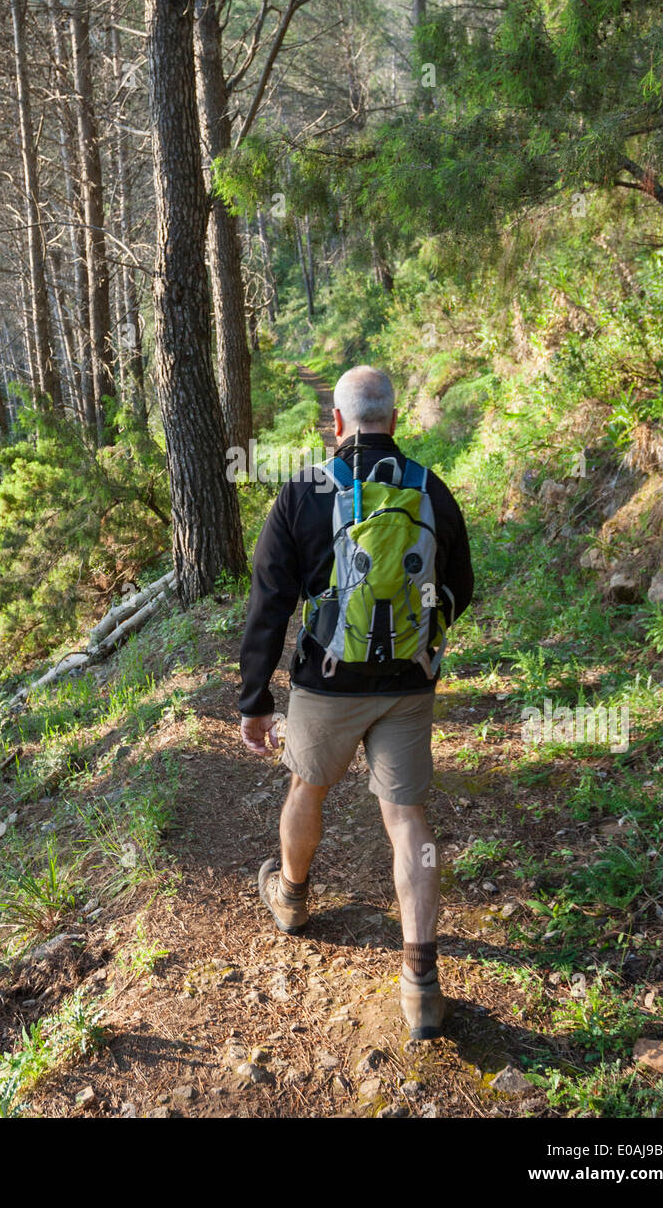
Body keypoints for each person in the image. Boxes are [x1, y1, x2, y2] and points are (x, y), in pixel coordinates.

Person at [238, 365, 474, 1039]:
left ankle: (291, 898)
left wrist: (255, 699)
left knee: (308, 789)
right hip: (407, 684)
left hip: (327, 682)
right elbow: (461, 586)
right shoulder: (431, 489)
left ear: (336, 424)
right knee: (407, 821)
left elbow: (269, 603)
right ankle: (421, 984)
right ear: (394, 421)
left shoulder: (305, 491)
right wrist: (416, 630)